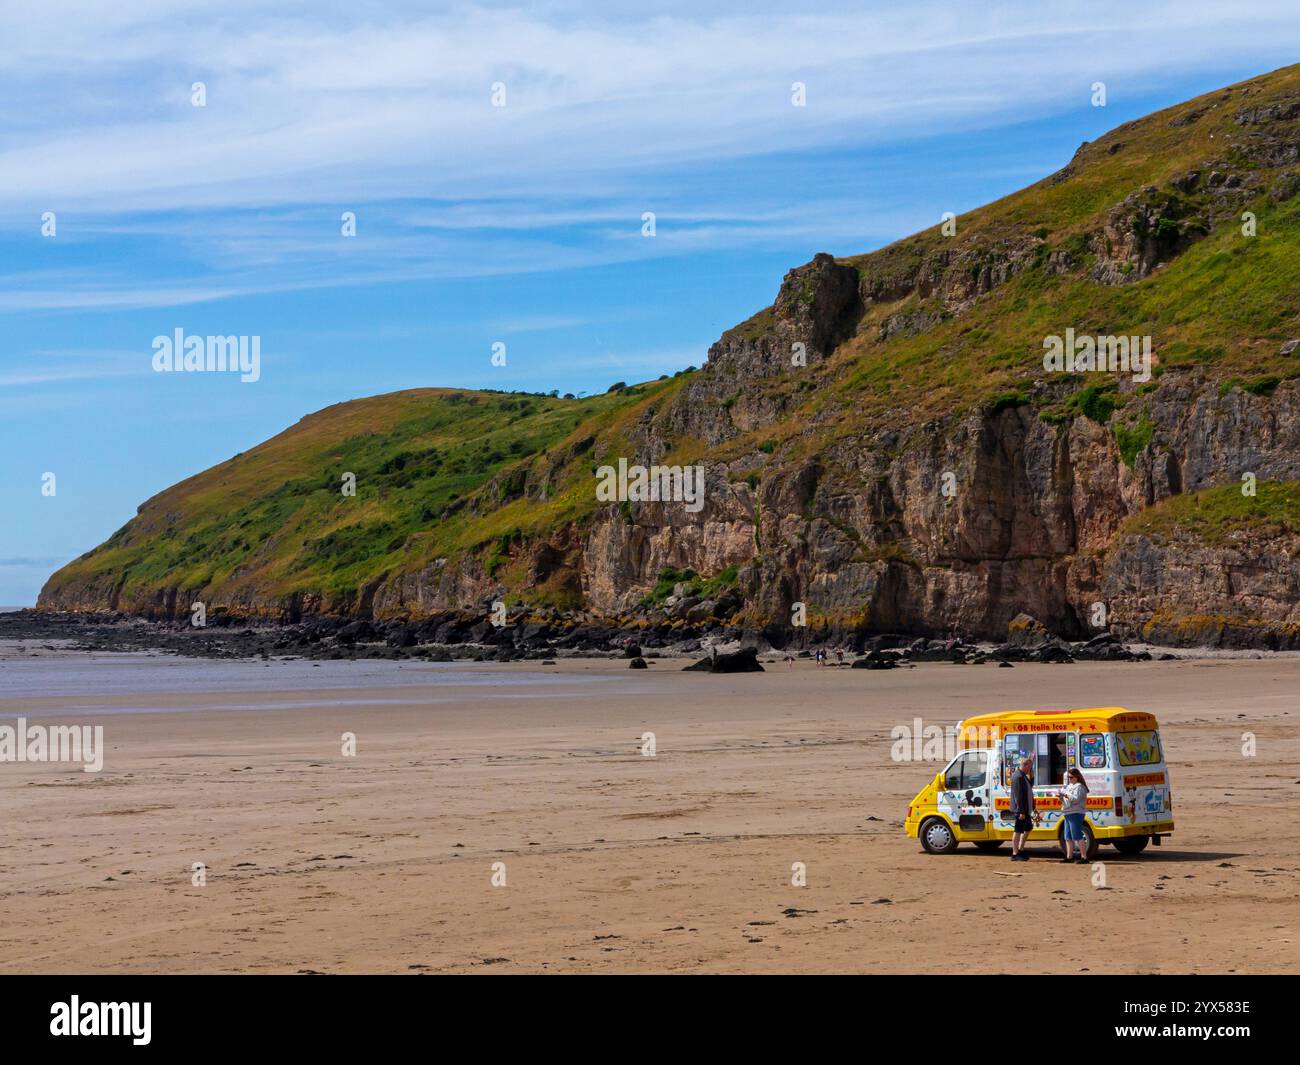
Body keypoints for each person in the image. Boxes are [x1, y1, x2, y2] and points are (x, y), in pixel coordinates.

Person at [1057, 767, 1090, 863]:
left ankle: (1084, 857)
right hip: (1068, 812)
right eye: (1068, 777)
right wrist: (1061, 797)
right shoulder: (1070, 786)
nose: (1069, 779)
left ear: (1076, 777)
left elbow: (1076, 799)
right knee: (1067, 836)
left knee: (1077, 835)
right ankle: (1069, 856)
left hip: (1076, 812)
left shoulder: (1080, 787)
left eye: (1071, 777)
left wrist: (1065, 795)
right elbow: (1067, 800)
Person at [1009, 756, 1036, 861]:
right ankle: (1015, 853)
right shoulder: (1018, 777)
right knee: (1018, 830)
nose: (1030, 769)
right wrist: (1021, 811)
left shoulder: (1023, 776)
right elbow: (1018, 796)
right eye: (1030, 767)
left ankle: (1020, 849)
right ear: (1024, 765)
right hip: (1020, 810)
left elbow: (1029, 787)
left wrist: (1032, 777)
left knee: (1028, 828)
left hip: (1025, 809)